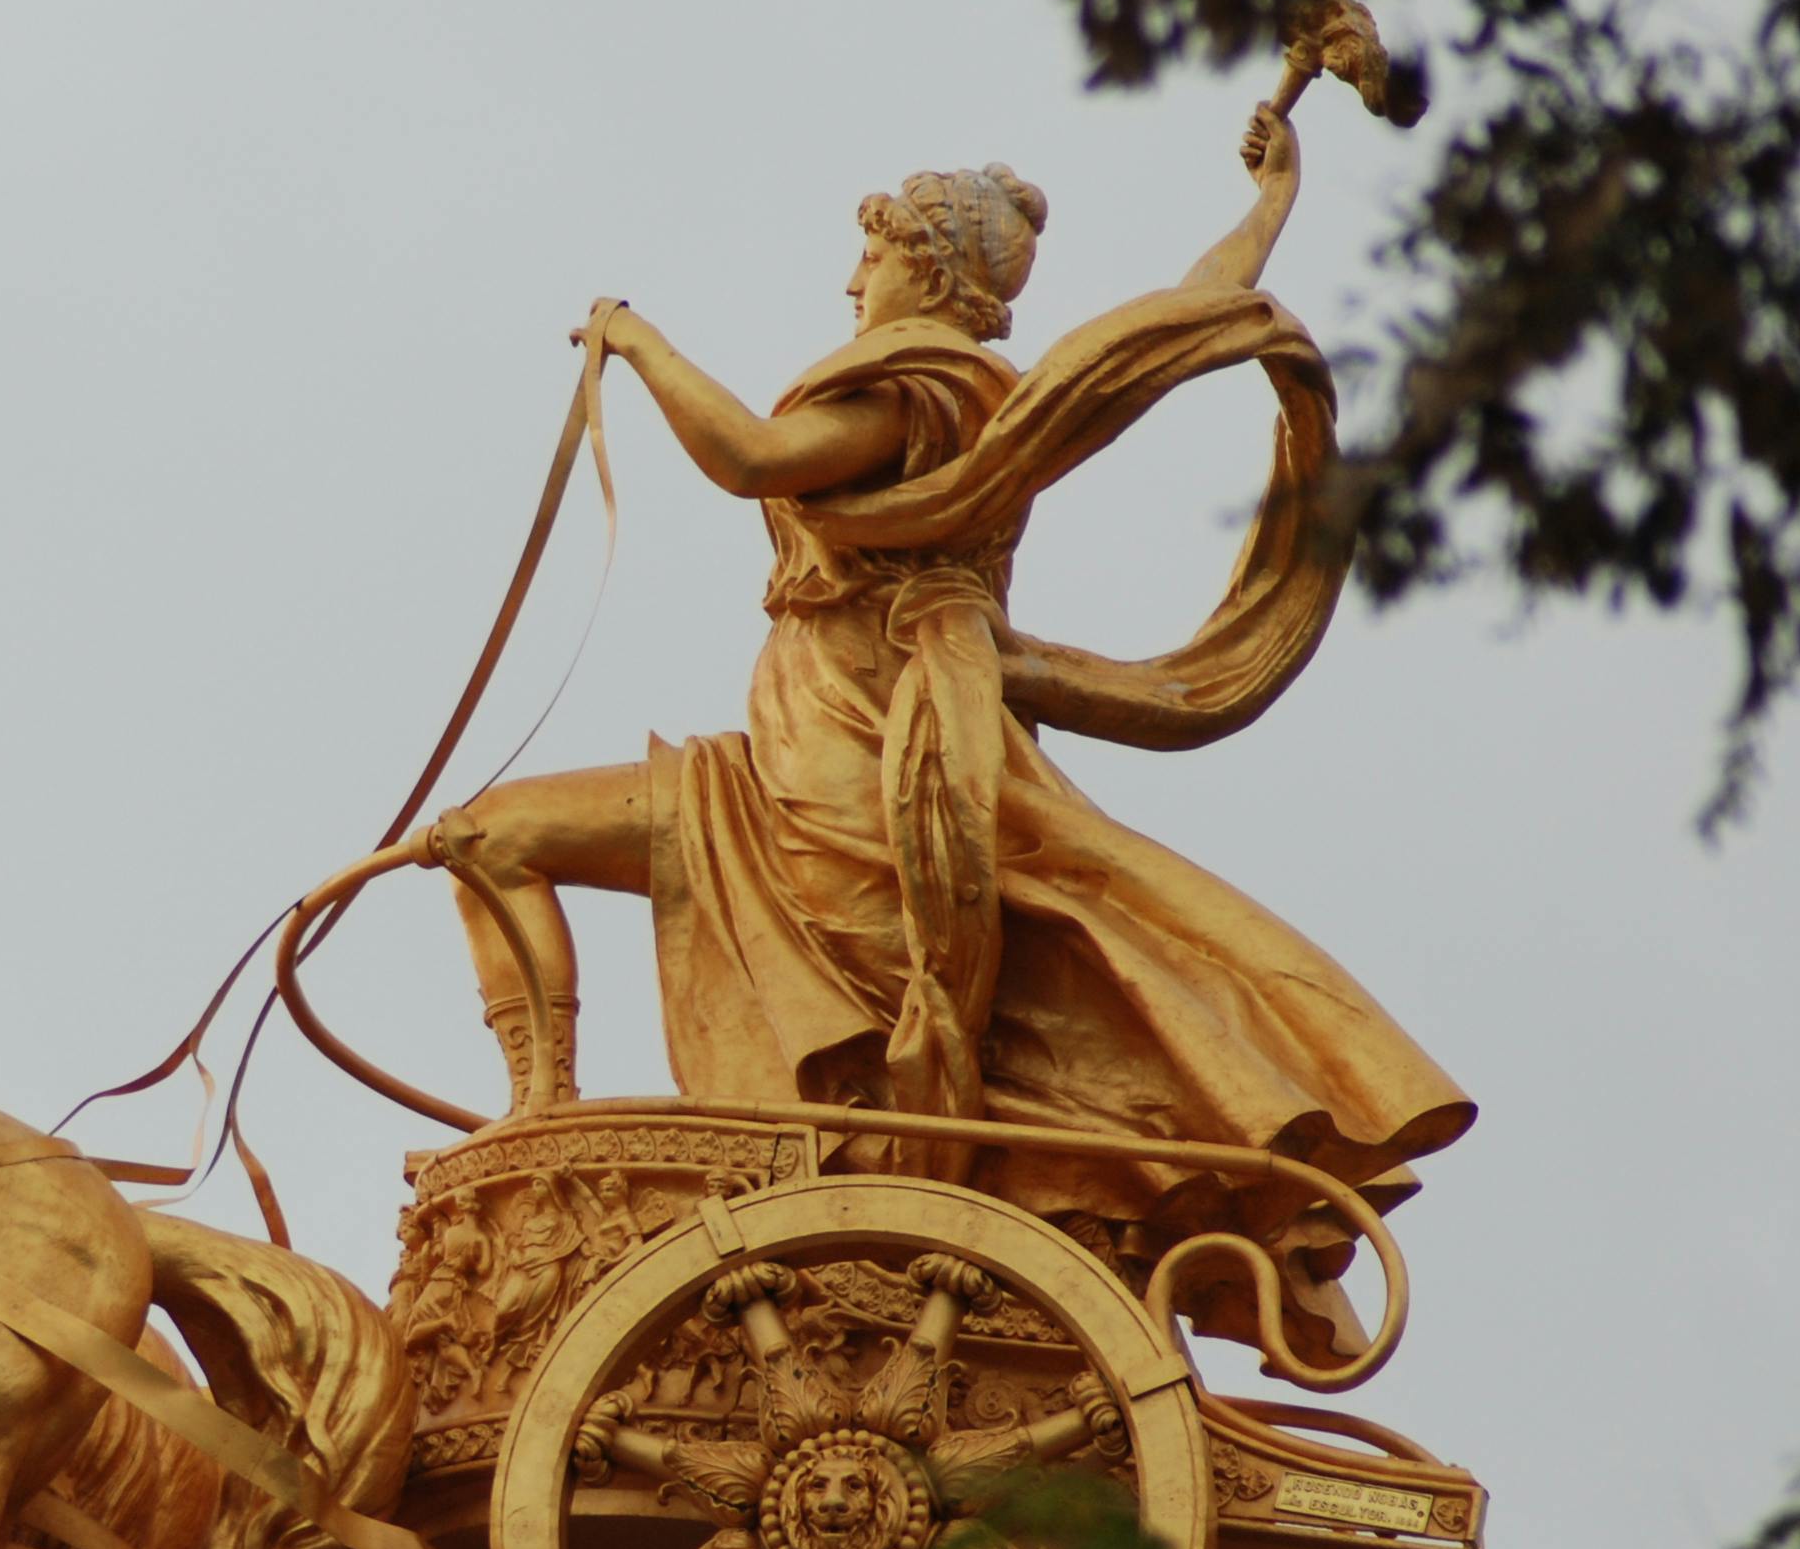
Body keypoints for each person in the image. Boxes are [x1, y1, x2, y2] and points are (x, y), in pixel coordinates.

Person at [433, 106, 1470, 1362]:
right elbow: (1181, 310)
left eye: (866, 256)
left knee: (497, 834)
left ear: (921, 265)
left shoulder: (926, 394)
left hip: (856, 760)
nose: (849, 279)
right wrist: (1267, 205)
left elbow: (753, 458)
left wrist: (634, 340)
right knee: (486, 835)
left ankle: (573, 1131)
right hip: (793, 739)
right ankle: (537, 1113)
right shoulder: (1008, 397)